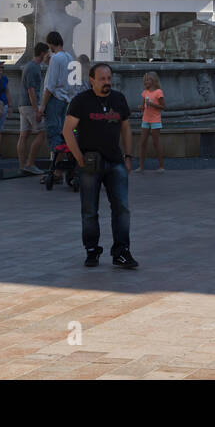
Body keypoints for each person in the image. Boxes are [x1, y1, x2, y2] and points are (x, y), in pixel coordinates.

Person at [63, 62, 137, 269]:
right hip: (90, 164)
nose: (107, 83)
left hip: (115, 162)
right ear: (92, 80)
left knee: (122, 209)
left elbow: (126, 128)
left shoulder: (118, 99)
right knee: (89, 210)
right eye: (102, 79)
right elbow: (67, 130)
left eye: (109, 79)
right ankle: (92, 250)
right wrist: (78, 157)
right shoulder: (81, 101)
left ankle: (122, 252)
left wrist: (129, 156)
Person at [39, 30, 76, 157]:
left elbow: (50, 85)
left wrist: (43, 105)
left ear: (50, 44)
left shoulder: (55, 58)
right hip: (66, 100)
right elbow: (73, 82)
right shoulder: (70, 57)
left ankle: (56, 168)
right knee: (62, 132)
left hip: (54, 100)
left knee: (53, 133)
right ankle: (62, 164)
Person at [17, 43, 48, 175]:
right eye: (47, 53)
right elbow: (31, 90)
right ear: (42, 53)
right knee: (42, 132)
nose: (48, 55)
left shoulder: (30, 66)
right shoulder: (33, 68)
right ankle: (30, 164)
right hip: (30, 106)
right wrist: (37, 110)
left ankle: (23, 165)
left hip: (23, 104)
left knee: (24, 135)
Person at [138, 71, 165, 173]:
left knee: (155, 143)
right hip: (145, 119)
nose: (146, 82)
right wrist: (141, 107)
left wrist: (152, 104)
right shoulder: (145, 92)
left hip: (155, 120)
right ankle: (141, 166)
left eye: (148, 79)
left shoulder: (158, 92)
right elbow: (144, 106)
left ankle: (161, 166)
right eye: (145, 80)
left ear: (153, 81)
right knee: (142, 143)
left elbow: (163, 107)